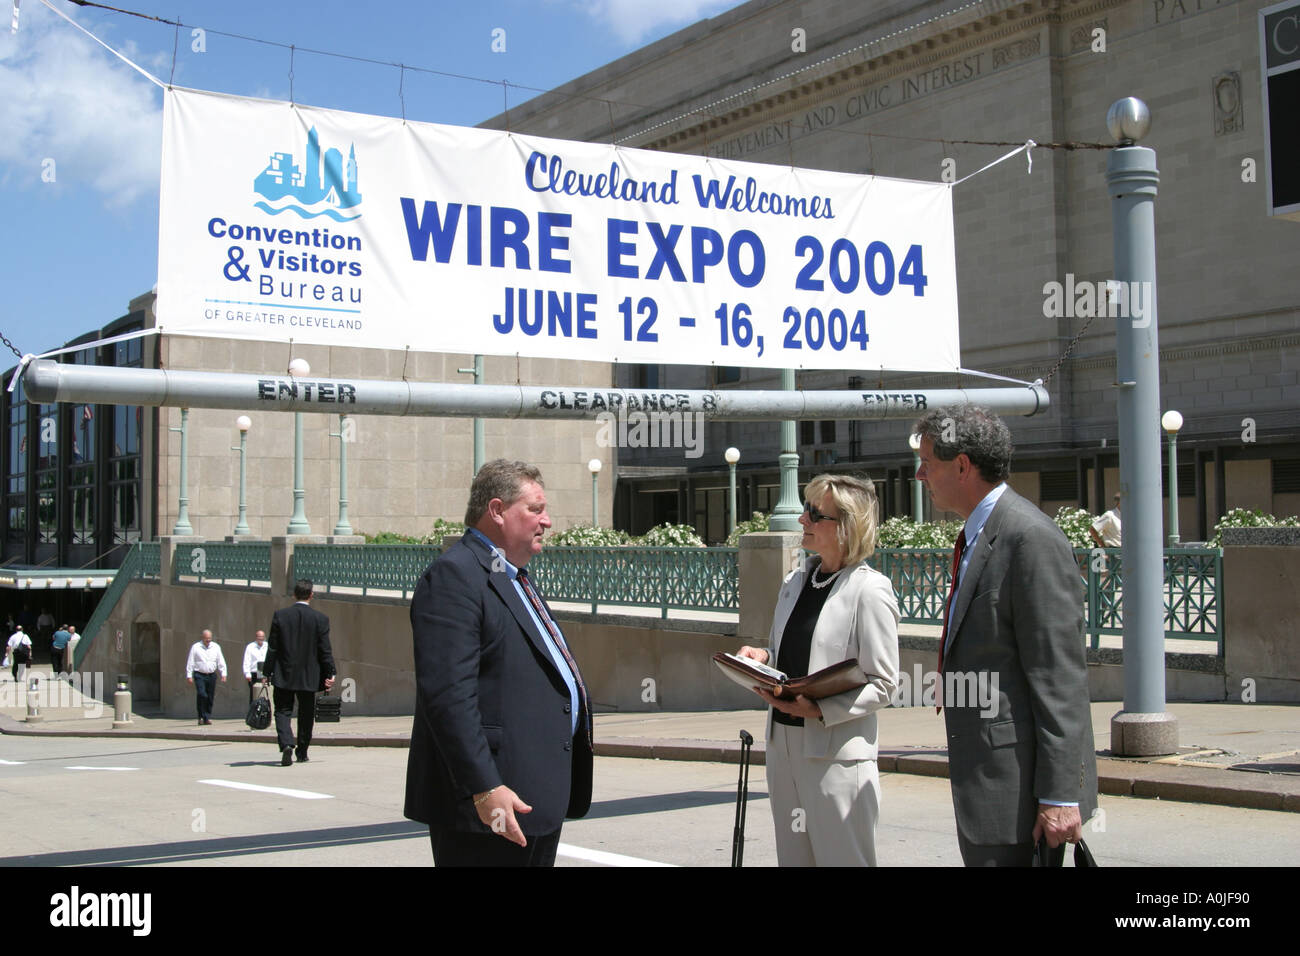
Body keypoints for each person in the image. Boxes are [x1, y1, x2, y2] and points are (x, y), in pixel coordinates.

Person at [913, 405, 1097, 867]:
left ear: (962, 465)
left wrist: (1059, 795)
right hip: (992, 788)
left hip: (1023, 800)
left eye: (928, 463)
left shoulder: (1030, 538)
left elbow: (1059, 677)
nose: (920, 474)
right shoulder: (981, 533)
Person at [405, 459, 593, 867]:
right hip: (490, 805)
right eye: (535, 509)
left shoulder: (511, 575)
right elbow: (448, 696)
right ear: (496, 510)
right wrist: (485, 786)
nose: (547, 521)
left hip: (531, 801)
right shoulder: (455, 576)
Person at [736, 473, 900, 866]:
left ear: (846, 526)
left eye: (813, 514)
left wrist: (821, 710)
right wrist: (761, 658)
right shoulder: (795, 580)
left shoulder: (869, 590)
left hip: (836, 757)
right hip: (783, 749)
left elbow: (885, 684)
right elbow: (787, 654)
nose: (802, 520)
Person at [265, 580, 335, 766]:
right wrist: (330, 672)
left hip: (284, 672)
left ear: (294, 595)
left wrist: (267, 672)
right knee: (306, 713)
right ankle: (302, 751)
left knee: (282, 710)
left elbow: (273, 648)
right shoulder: (320, 619)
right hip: (309, 674)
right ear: (311, 595)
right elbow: (324, 649)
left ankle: (287, 743)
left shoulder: (280, 616)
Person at [185, 629, 227, 725]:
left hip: (211, 675)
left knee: (210, 696)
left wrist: (223, 673)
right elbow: (190, 661)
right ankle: (201, 715)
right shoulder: (196, 647)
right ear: (202, 638)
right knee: (202, 694)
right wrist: (189, 675)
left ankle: (207, 717)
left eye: (209, 638)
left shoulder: (216, 647)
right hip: (199, 674)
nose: (208, 640)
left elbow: (221, 660)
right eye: (206, 638)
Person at [242, 629, 269, 703]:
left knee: (265, 692)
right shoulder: (250, 647)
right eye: (259, 637)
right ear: (256, 637)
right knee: (254, 694)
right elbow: (246, 661)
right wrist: (247, 674)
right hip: (254, 673)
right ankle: (253, 712)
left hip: (265, 672)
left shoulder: (267, 645)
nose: (261, 639)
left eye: (262, 637)